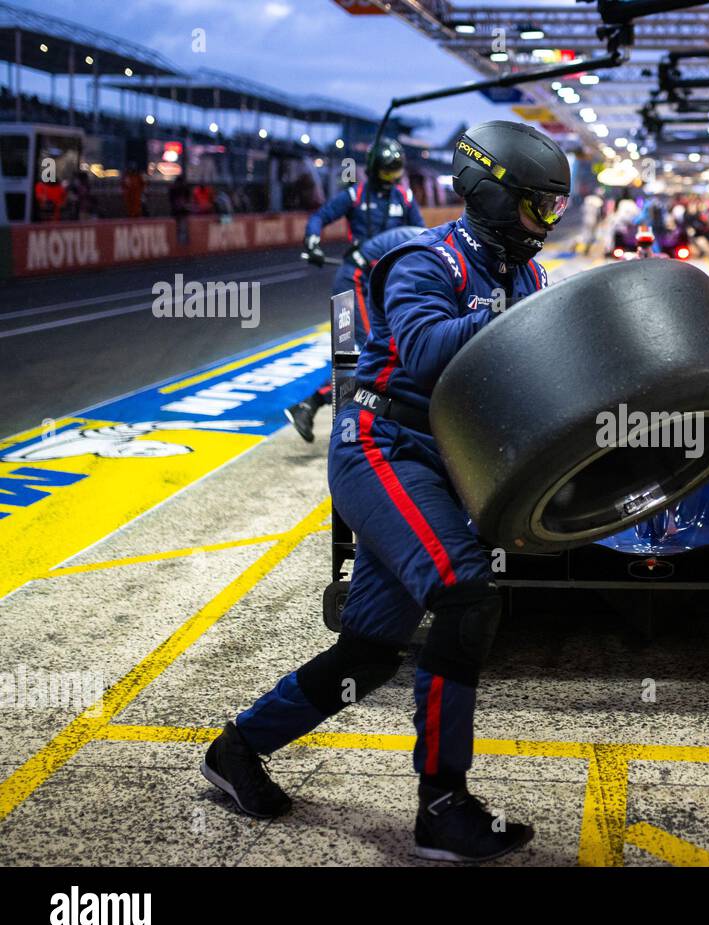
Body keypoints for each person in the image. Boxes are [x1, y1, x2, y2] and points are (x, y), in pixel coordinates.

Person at [202, 120, 570, 861]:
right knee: (466, 596)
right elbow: (428, 350)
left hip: (444, 460)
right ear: (494, 196)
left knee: (370, 653)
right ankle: (443, 805)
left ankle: (234, 751)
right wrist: (515, 318)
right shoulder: (424, 259)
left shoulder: (523, 275)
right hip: (381, 446)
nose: (546, 223)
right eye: (539, 206)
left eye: (554, 209)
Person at [286, 138, 426, 442]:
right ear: (375, 169)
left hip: (384, 286)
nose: (393, 177)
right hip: (353, 280)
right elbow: (319, 217)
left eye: (397, 171)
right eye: (388, 171)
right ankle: (320, 408)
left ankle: (322, 408)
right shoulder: (355, 194)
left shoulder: (405, 197)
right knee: (356, 353)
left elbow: (420, 235)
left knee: (379, 351)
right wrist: (312, 240)